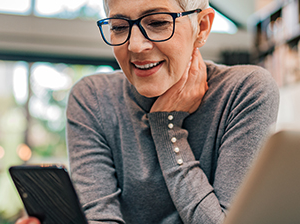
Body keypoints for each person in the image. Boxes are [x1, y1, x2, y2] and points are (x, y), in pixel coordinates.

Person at [16, 0, 279, 223]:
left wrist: (167, 128)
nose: (135, 46)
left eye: (157, 23)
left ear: (202, 26)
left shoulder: (245, 91)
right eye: (119, 27)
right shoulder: (93, 98)